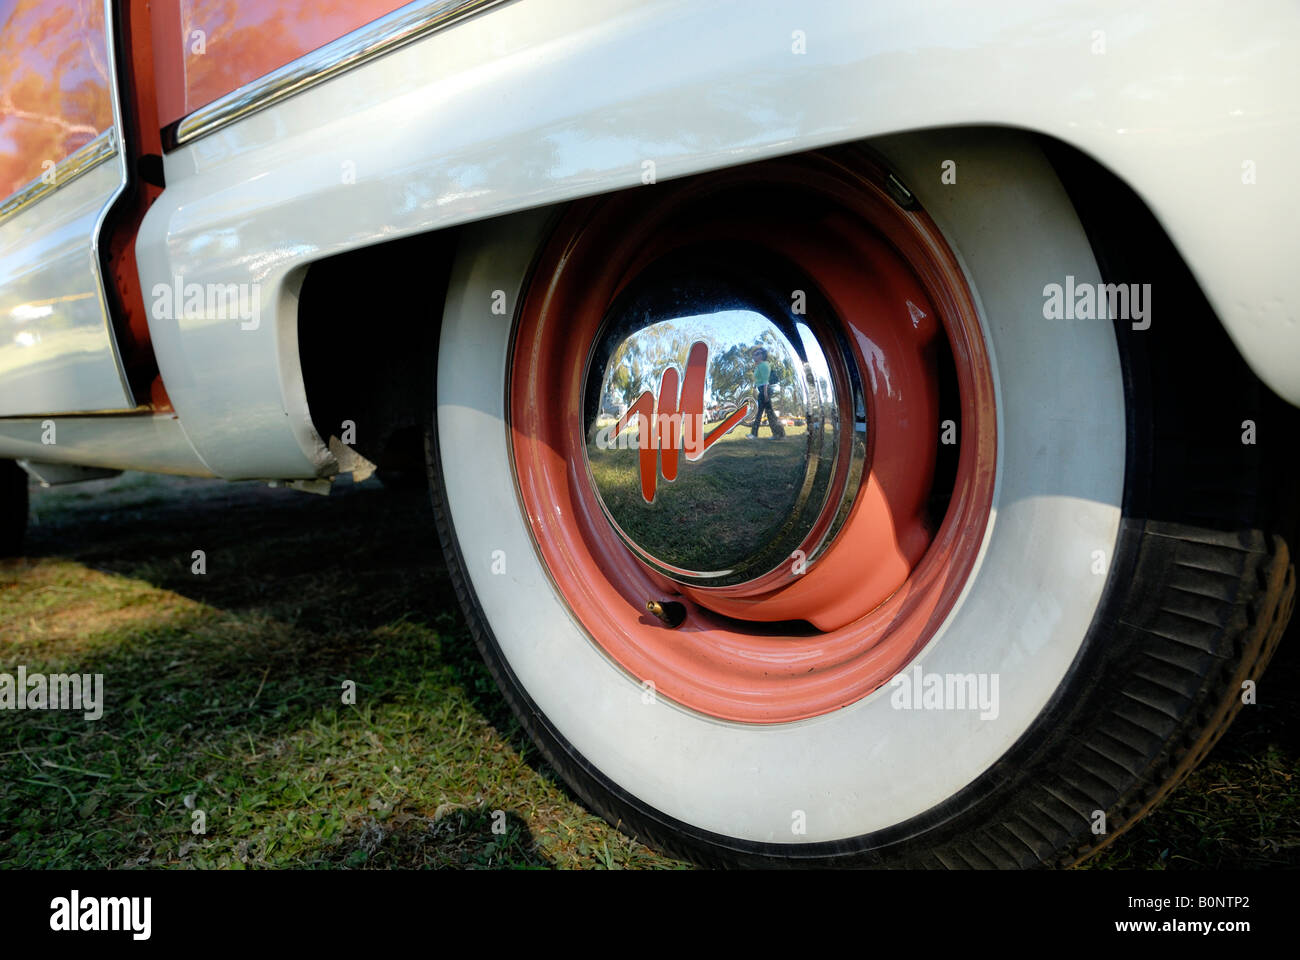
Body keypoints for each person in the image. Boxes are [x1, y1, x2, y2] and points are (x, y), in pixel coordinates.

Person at [746, 346, 784, 438]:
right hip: (762, 390)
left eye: (757, 354)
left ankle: (754, 434)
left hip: (765, 390)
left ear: (762, 355)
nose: (754, 356)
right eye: (754, 354)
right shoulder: (758, 366)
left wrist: (766, 393)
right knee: (769, 412)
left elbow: (765, 380)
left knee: (760, 413)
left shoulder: (764, 365)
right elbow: (758, 380)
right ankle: (779, 433)